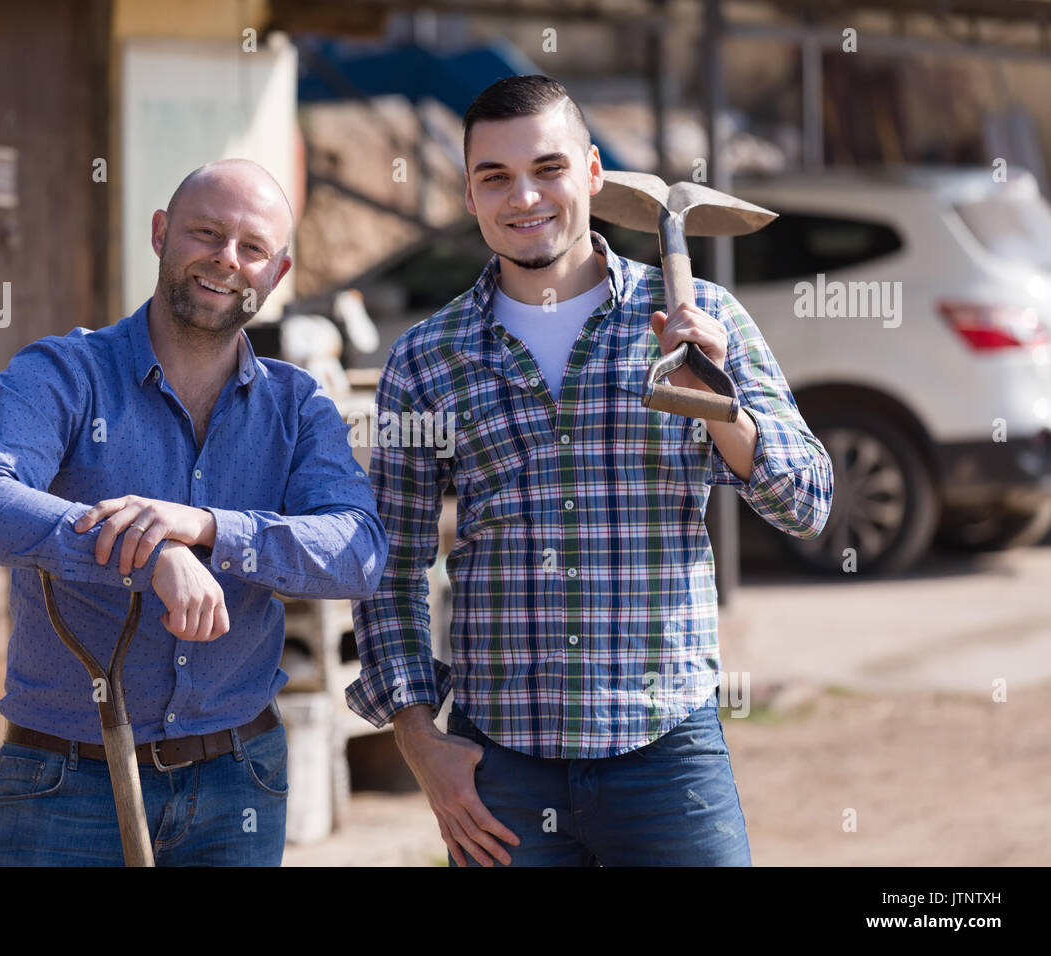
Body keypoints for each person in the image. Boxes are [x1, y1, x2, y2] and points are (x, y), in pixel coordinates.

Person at [347, 76, 833, 866]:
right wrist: (417, 742)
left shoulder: (701, 322)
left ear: (595, 174)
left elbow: (810, 505)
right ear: (469, 195)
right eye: (494, 177)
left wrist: (726, 410)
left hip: (667, 752)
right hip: (500, 766)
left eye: (549, 168)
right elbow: (390, 564)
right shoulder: (426, 360)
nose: (525, 196)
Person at [0, 158, 387, 866]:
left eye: (252, 248)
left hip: (239, 778)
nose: (226, 260)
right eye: (205, 233)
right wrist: (148, 551)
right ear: (160, 234)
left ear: (278, 272)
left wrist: (208, 527)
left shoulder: (297, 407)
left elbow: (358, 553)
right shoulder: (62, 374)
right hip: (66, 783)